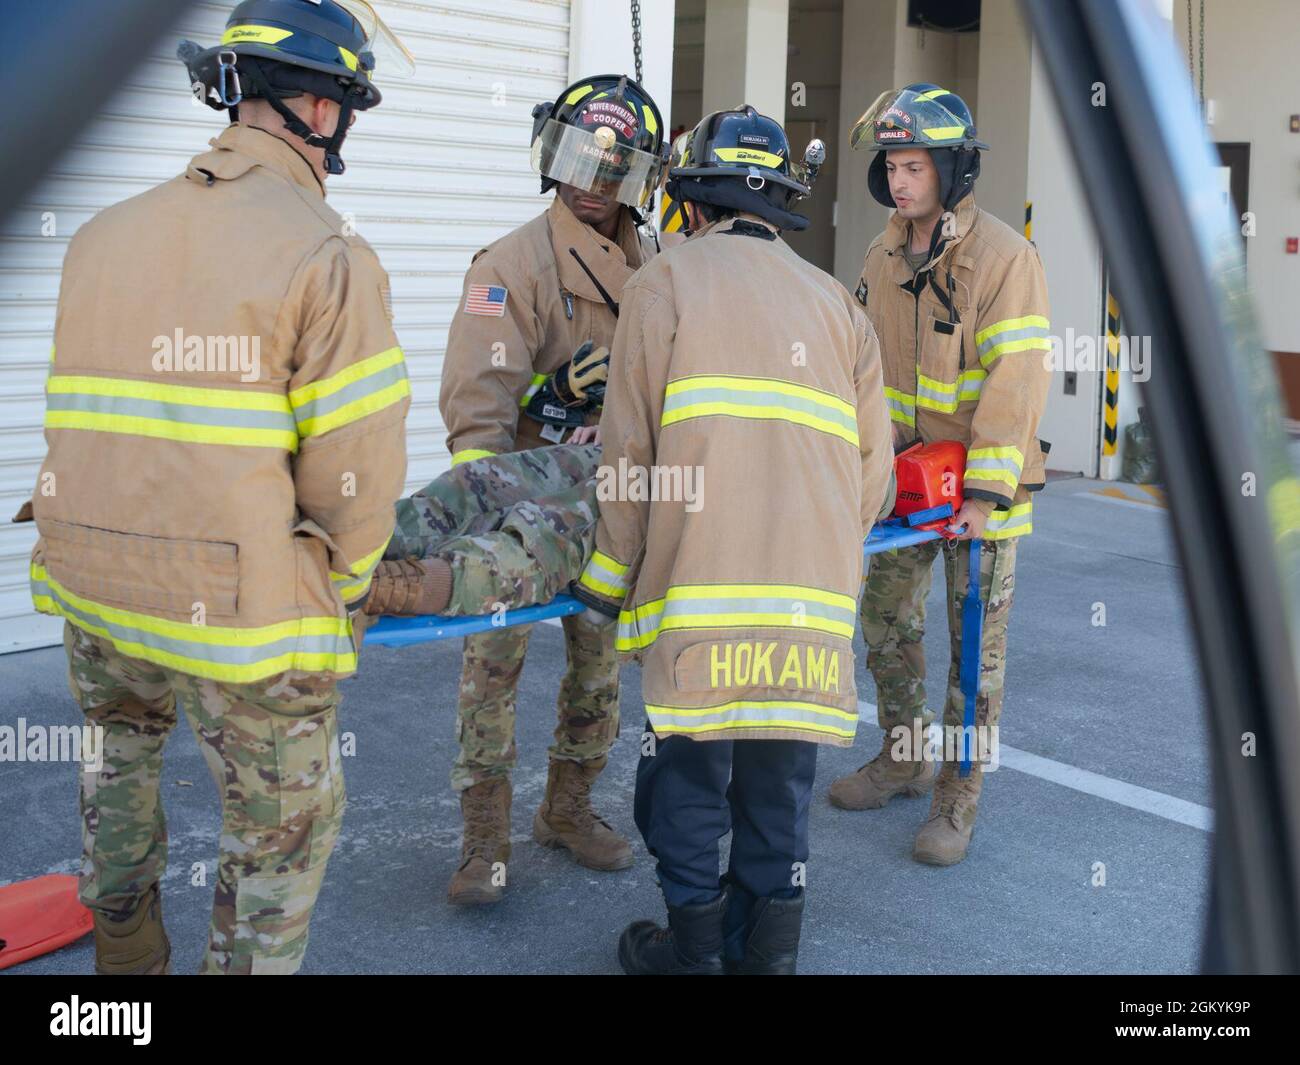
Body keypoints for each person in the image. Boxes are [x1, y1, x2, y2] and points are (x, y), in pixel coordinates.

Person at [19, 0, 413, 973]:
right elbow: (355, 487)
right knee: (282, 830)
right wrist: (347, 594)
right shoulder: (329, 254)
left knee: (118, 757)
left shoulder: (99, 236)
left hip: (89, 583)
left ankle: (125, 964)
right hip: (239, 617)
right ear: (323, 112)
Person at [571, 106, 894, 975]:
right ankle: (767, 957)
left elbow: (629, 455)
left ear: (691, 203)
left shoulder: (663, 284)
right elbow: (875, 480)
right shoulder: (839, 307)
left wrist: (606, 580)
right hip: (809, 608)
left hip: (699, 600)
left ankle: (694, 950)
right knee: (780, 785)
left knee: (684, 779)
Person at [435, 74, 668, 904]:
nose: (591, 181)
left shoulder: (660, 262)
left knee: (598, 667)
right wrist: (550, 396)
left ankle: (567, 808)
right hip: (521, 508)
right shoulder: (511, 265)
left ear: (642, 177)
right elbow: (476, 408)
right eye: (576, 156)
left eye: (614, 167)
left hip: (611, 504)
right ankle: (483, 839)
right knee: (493, 668)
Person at [828, 84, 1052, 866]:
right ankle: (904, 754)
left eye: (915, 166)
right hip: (905, 482)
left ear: (952, 171)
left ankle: (957, 799)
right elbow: (864, 369)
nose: (899, 180)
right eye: (892, 165)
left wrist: (988, 494)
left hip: (979, 497)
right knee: (884, 623)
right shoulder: (881, 253)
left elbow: (1016, 381)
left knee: (971, 657)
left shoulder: (1005, 260)